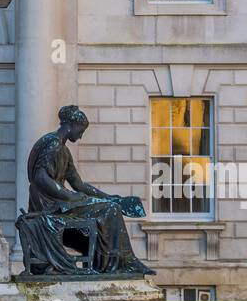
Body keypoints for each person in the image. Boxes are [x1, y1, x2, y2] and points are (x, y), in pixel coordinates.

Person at [18, 105, 152, 278]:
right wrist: (69, 196)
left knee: (111, 206)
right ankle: (117, 264)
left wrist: (109, 197)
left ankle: (118, 263)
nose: (80, 135)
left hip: (61, 202)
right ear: (70, 125)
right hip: (52, 206)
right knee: (110, 210)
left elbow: (79, 184)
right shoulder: (53, 144)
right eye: (80, 130)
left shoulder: (64, 151)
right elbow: (41, 178)